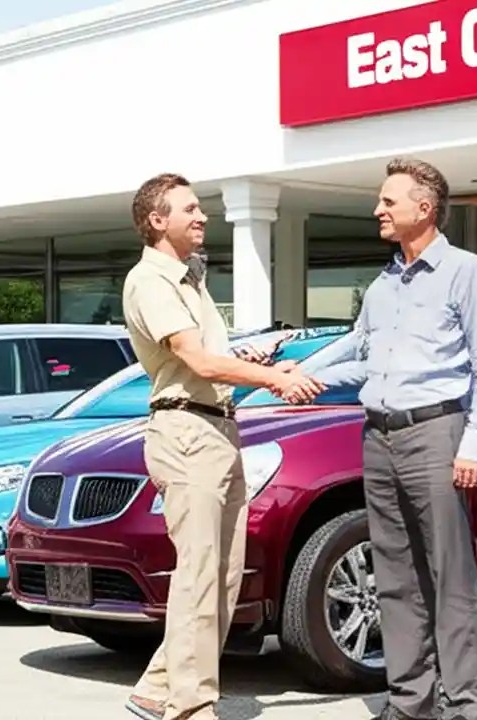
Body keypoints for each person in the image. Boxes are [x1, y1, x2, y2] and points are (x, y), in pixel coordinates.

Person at [307, 158, 477, 720]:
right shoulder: (383, 284)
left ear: (425, 207)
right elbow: (364, 359)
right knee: (393, 575)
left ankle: (466, 702)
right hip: (380, 436)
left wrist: (473, 443)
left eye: (388, 202)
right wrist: (303, 378)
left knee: (450, 574)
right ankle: (410, 700)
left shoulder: (467, 273)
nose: (378, 210)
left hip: (437, 433)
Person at [120, 172, 320, 720]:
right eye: (189, 209)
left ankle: (158, 685)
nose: (201, 216)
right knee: (200, 572)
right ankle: (190, 706)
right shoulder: (151, 281)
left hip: (215, 428)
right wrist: (274, 381)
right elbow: (200, 363)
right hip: (186, 434)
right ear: (158, 221)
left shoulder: (190, 279)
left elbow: (209, 360)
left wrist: (251, 363)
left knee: (224, 573)